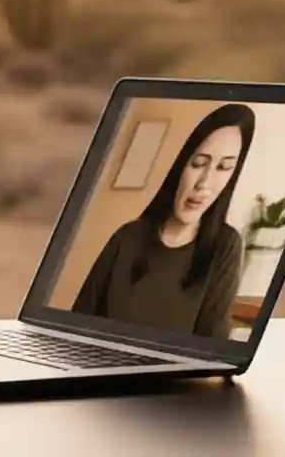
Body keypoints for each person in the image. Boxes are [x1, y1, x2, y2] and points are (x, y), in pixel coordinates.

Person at [72, 104, 254, 339]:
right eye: (198, 163)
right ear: (180, 166)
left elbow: (211, 349)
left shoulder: (225, 245)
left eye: (224, 167)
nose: (204, 183)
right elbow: (76, 326)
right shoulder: (127, 237)